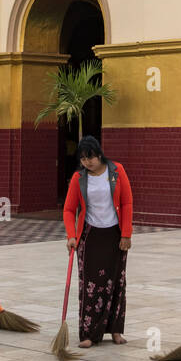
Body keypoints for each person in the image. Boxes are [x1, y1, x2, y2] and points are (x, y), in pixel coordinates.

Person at [63, 136, 132, 348]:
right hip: (90, 236)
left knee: (116, 283)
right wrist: (71, 235)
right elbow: (68, 209)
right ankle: (88, 333)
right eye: (83, 159)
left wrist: (126, 234)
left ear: (99, 154)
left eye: (90, 157)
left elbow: (127, 202)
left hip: (114, 235)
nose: (87, 162)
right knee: (90, 286)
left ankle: (116, 331)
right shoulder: (79, 178)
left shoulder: (117, 171)